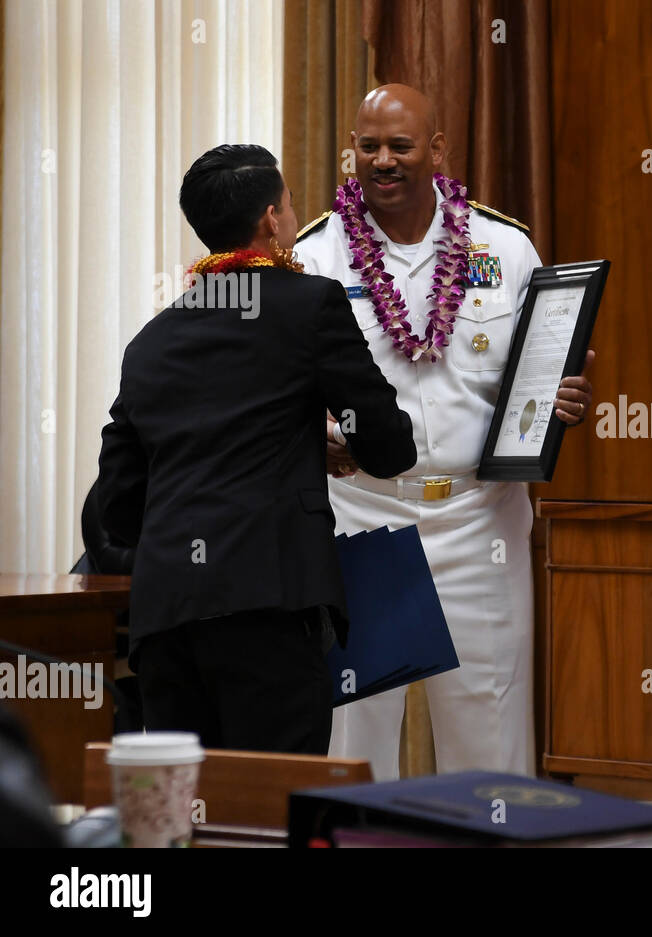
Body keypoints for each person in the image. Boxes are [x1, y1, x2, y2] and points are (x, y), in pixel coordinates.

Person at [294, 84, 593, 779]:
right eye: (368, 146)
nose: (382, 161)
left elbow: (538, 370)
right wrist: (310, 431)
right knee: (356, 737)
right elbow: (282, 385)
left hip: (477, 518)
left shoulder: (504, 245)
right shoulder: (315, 255)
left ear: (437, 149)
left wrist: (559, 396)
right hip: (363, 517)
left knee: (491, 734)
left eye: (400, 146)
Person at [96, 144, 416, 753]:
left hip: (166, 620)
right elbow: (389, 447)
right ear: (272, 219)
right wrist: (327, 441)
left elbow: (116, 505)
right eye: (291, 206)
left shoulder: (150, 342)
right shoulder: (310, 305)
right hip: (268, 607)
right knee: (271, 813)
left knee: (186, 820)